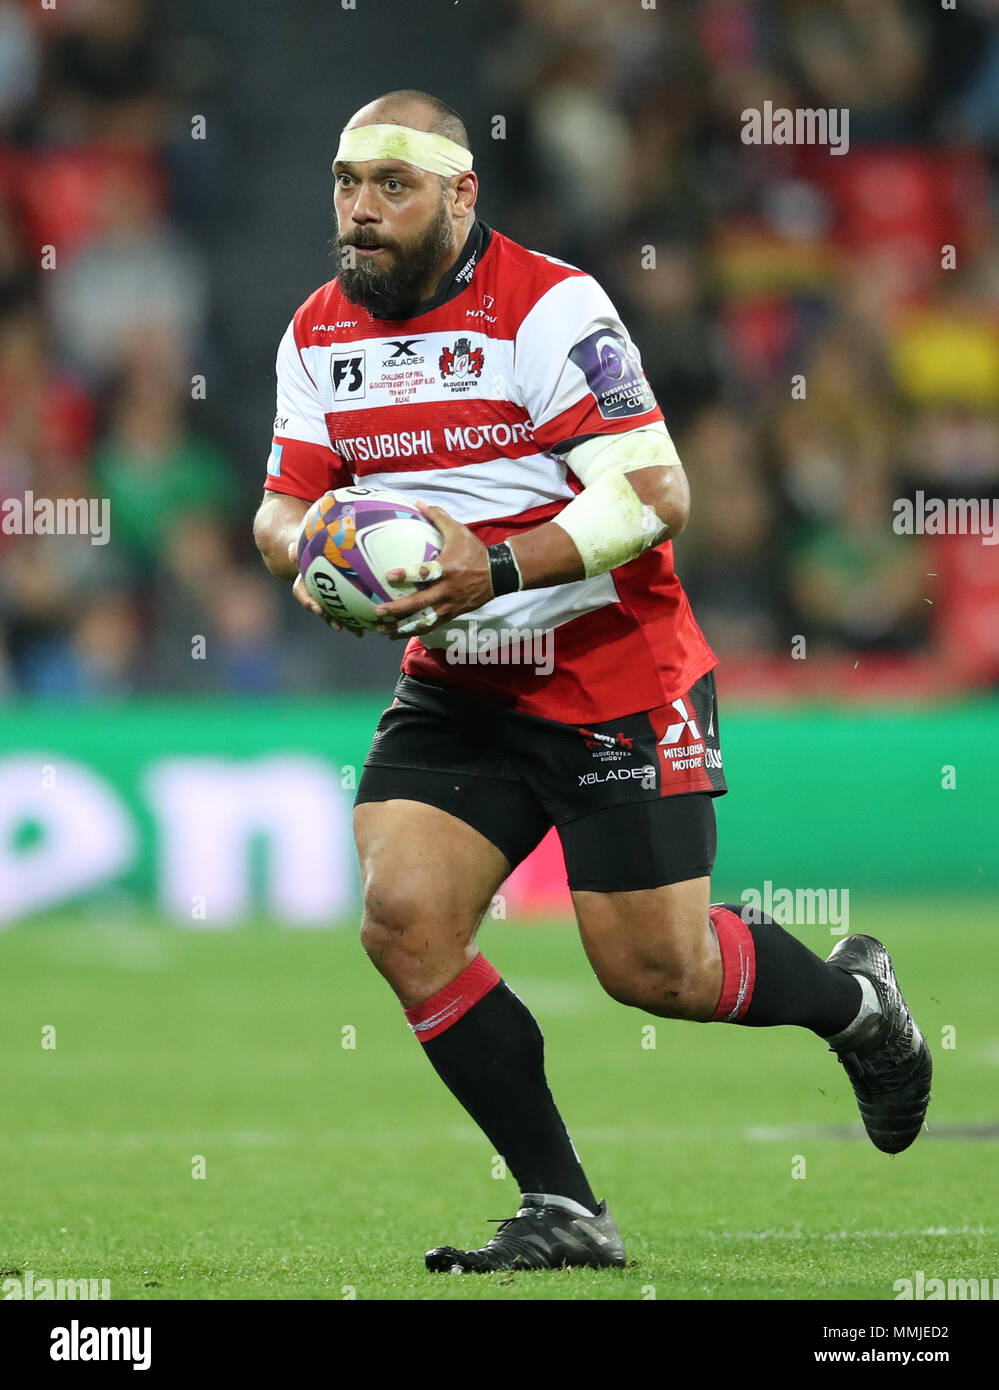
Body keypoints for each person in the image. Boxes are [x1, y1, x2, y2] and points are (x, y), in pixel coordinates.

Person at [253, 90, 931, 1274]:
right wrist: (316, 567)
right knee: (405, 916)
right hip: (461, 680)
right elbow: (279, 509)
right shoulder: (316, 332)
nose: (360, 210)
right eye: (346, 184)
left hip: (612, 666)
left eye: (391, 186)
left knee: (654, 970)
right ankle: (563, 1204)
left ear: (462, 195)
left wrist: (495, 564)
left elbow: (654, 494)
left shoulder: (552, 307)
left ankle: (858, 1006)